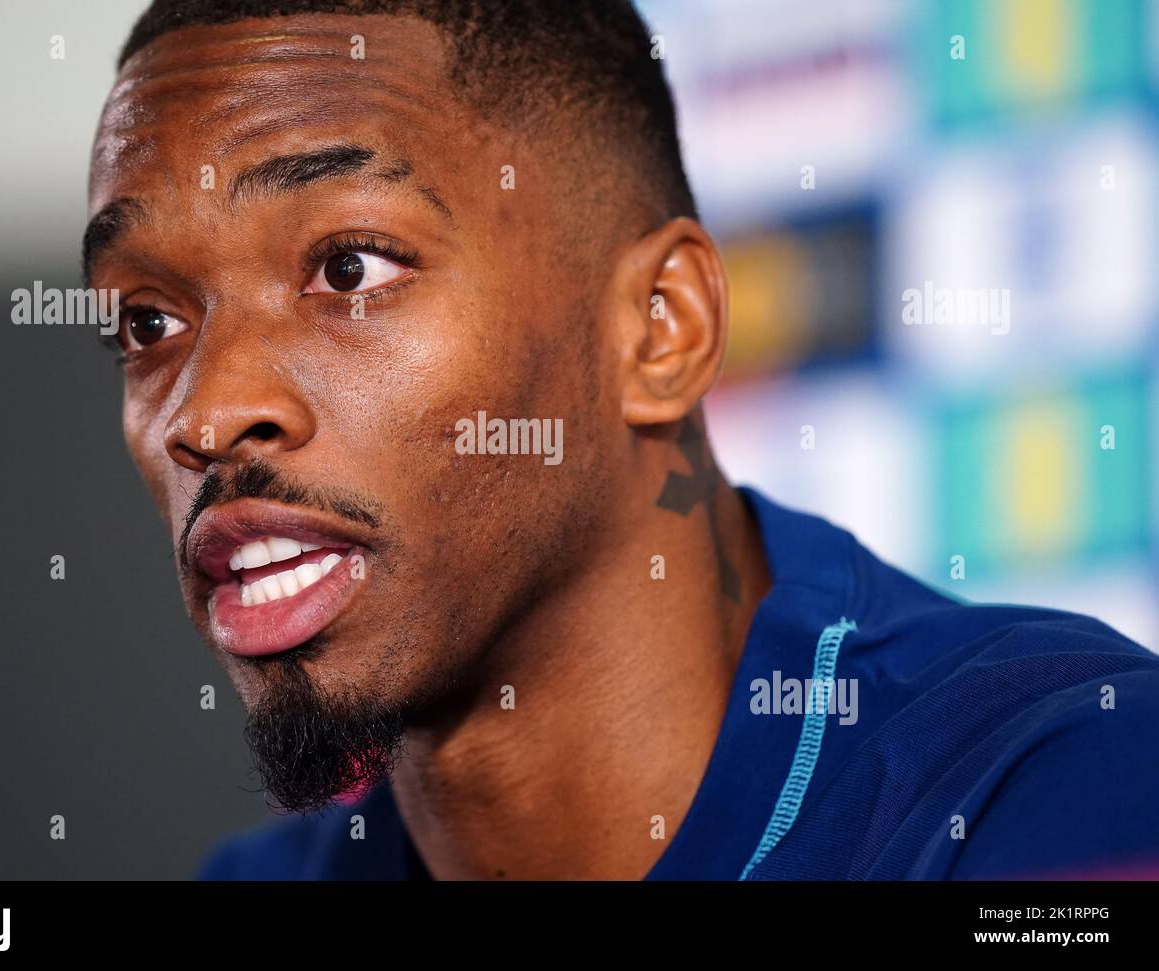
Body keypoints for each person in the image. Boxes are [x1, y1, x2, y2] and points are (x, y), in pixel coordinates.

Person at [84, 0, 1159, 880]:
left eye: (351, 269)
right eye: (149, 322)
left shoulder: (1059, 783)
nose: (204, 412)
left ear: (659, 328)